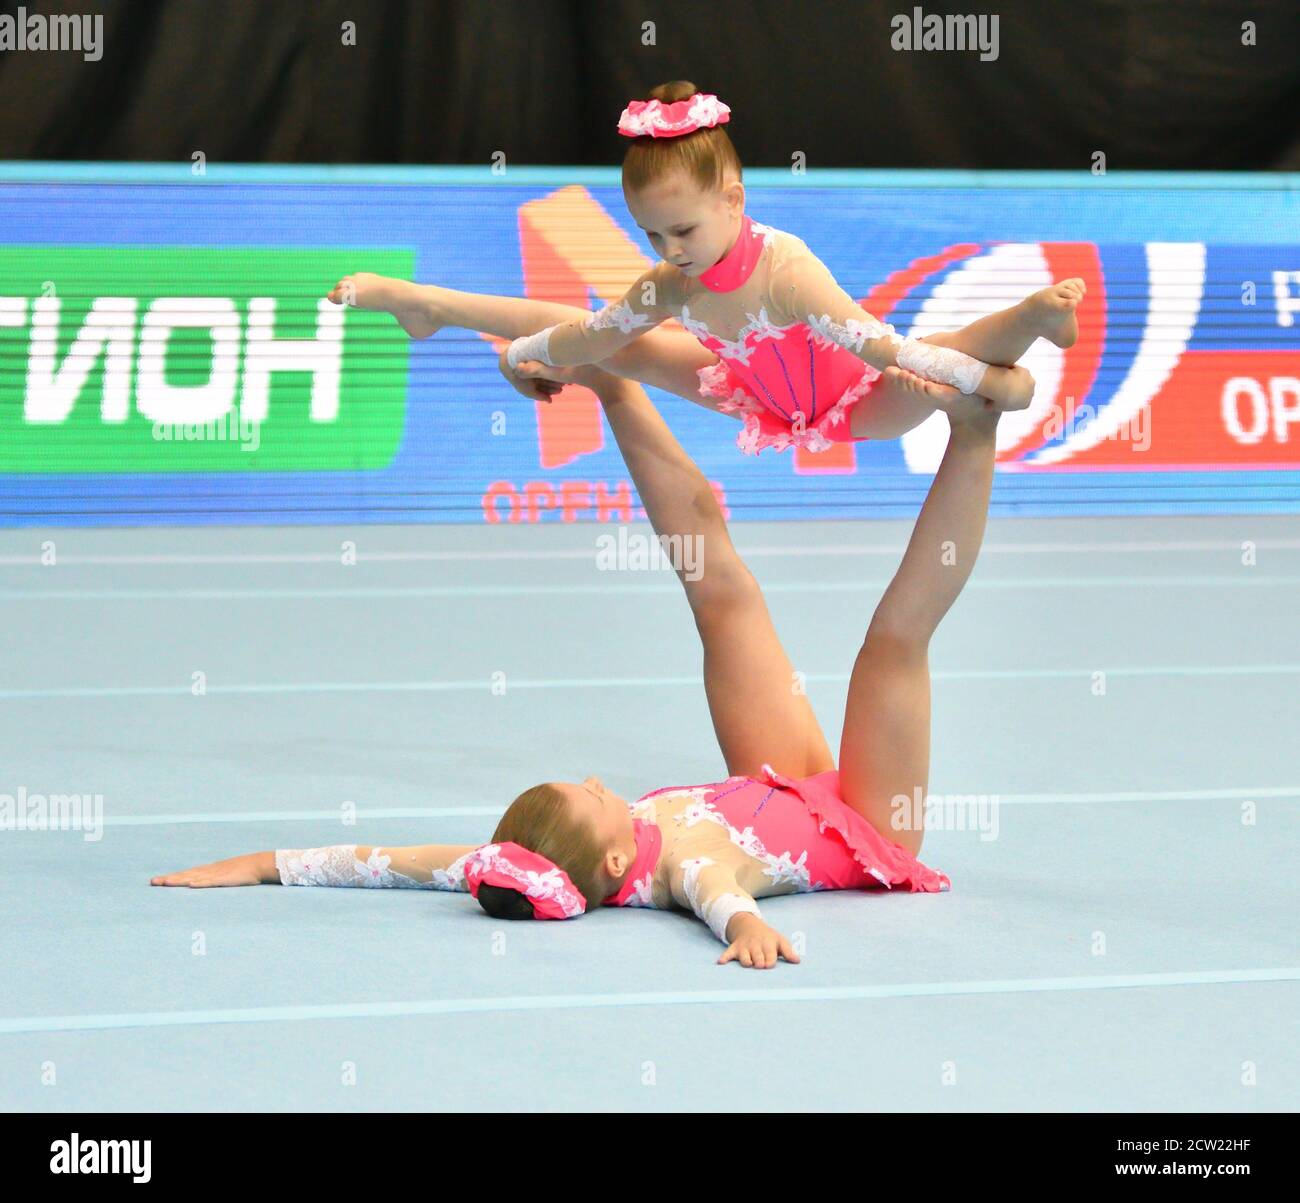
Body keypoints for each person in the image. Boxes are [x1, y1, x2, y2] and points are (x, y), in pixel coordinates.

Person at [154, 361, 1004, 971]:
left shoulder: (539, 855)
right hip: (866, 828)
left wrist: (265, 863)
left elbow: (397, 862)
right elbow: (721, 897)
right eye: (596, 794)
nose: (603, 779)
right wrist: (747, 932)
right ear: (607, 868)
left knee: (720, 595)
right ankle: (976, 430)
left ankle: (617, 383)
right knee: (892, 645)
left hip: (783, 786)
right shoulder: (685, 868)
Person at [327, 80, 1085, 455]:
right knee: (615, 342)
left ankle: (1030, 320)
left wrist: (973, 379)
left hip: (854, 397)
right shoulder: (669, 284)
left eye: (682, 229)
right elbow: (590, 336)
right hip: (744, 389)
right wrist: (521, 357)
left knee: (958, 367)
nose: (670, 252)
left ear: (734, 199)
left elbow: (883, 349)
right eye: (651, 235)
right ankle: (425, 304)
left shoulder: (787, 274)